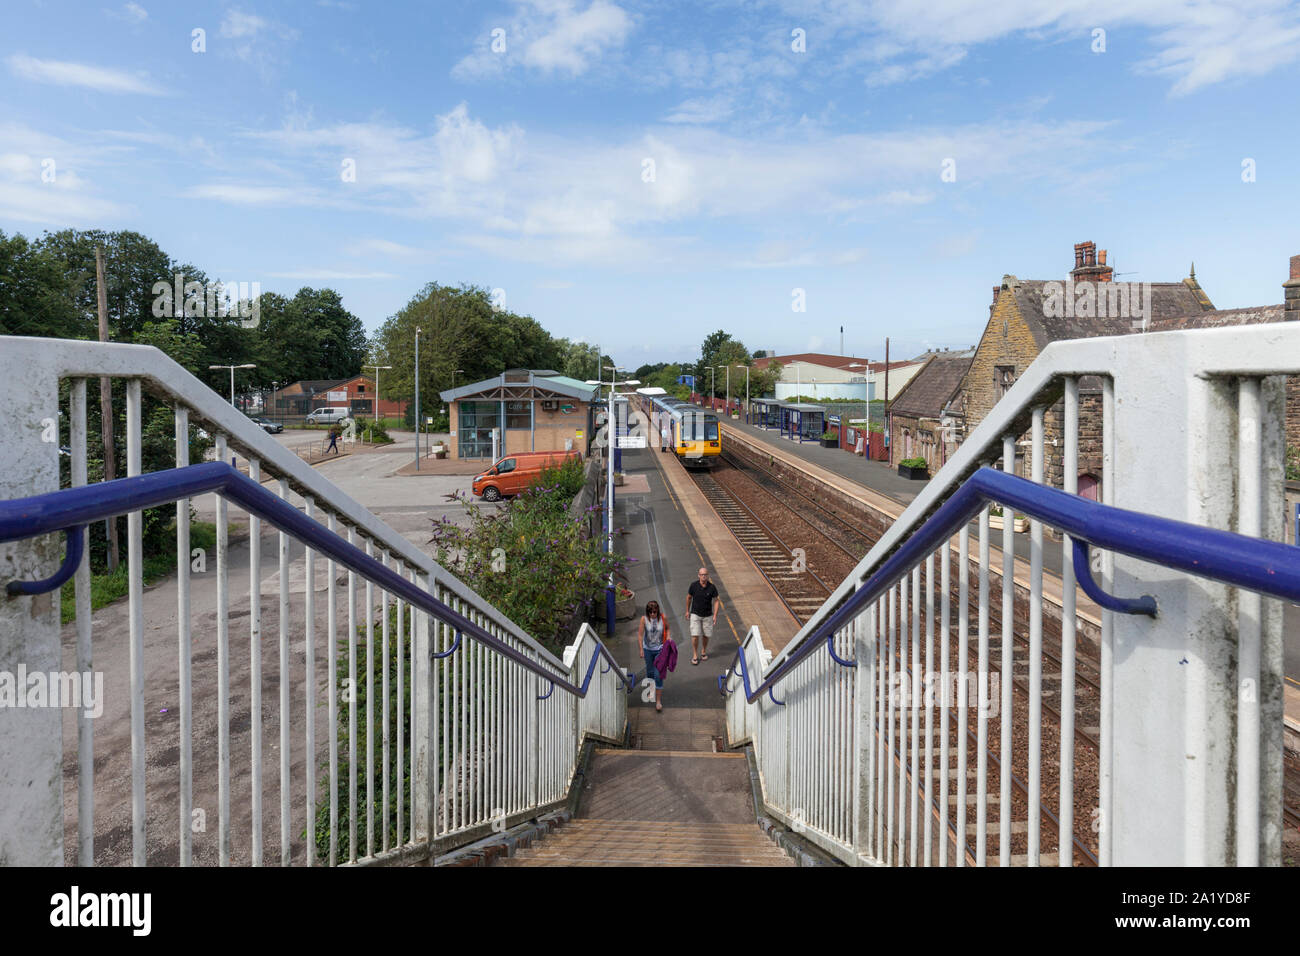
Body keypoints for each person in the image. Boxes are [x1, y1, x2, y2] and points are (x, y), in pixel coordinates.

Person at [685, 566, 721, 665]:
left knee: (706, 635)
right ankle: (695, 654)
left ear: (708, 576)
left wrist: (715, 615)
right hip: (695, 614)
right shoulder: (693, 586)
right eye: (702, 575)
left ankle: (703, 651)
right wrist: (687, 611)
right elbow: (688, 598)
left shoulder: (712, 587)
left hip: (708, 615)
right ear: (698, 575)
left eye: (705, 574)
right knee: (695, 635)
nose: (704, 576)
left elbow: (716, 601)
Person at [639, 600, 671, 712]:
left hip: (659, 650)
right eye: (650, 612)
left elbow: (667, 628)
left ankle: (658, 701)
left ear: (657, 611)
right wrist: (641, 649)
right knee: (650, 672)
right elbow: (640, 634)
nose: (652, 614)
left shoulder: (663, 618)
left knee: (658, 675)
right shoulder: (644, 619)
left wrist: (668, 639)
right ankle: (652, 691)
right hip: (648, 649)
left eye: (654, 612)